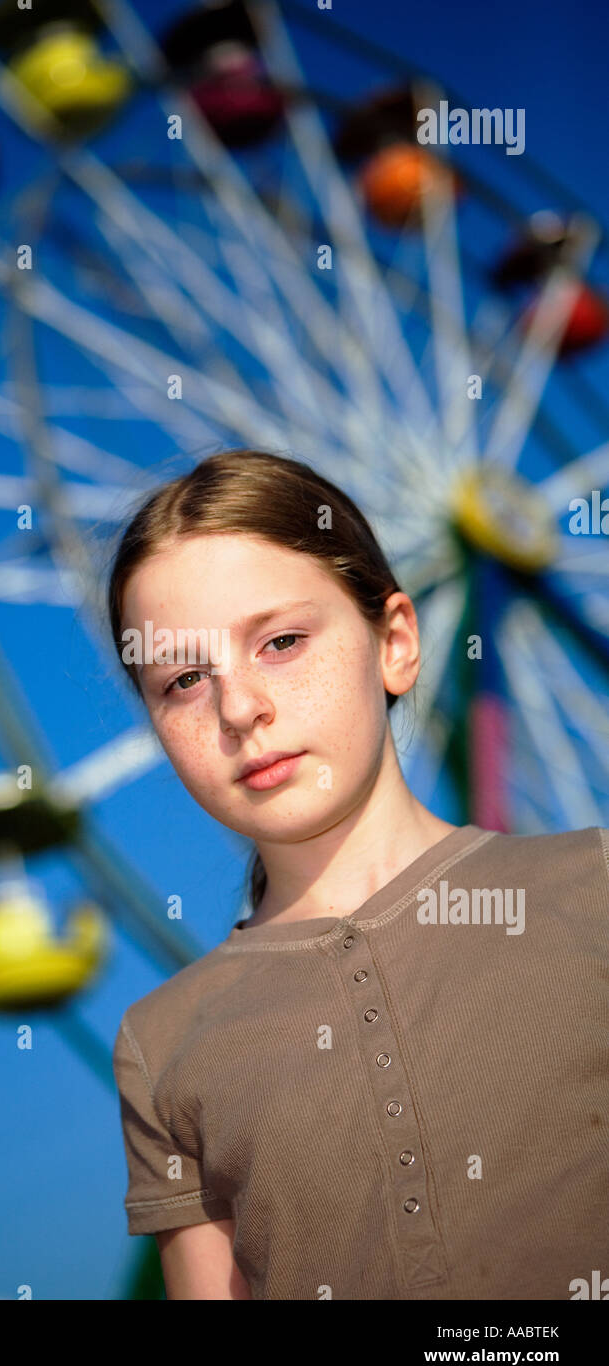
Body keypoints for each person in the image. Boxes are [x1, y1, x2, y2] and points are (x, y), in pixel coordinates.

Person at [108, 448, 609, 1300]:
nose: (239, 709)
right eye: (184, 679)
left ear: (398, 644)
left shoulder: (591, 890)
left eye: (283, 642)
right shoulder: (161, 1048)